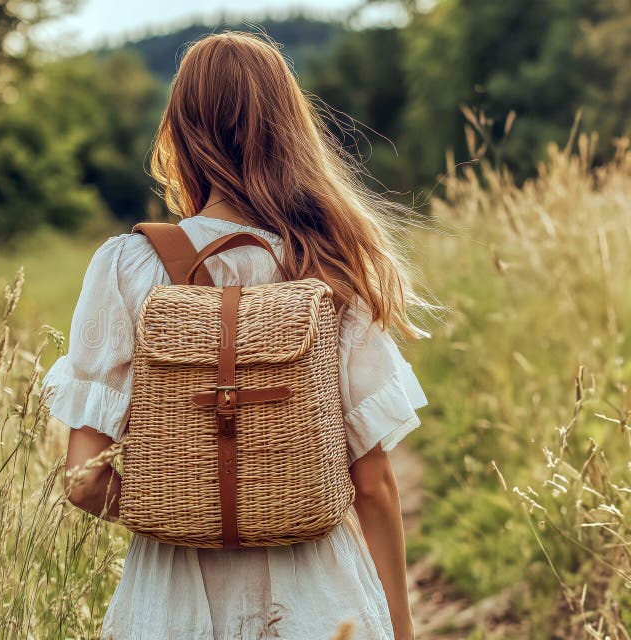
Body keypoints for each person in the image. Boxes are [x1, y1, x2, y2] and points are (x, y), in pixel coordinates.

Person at [42, 30, 431, 640]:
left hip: (173, 601)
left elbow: (85, 480)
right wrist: (402, 630)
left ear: (179, 132)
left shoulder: (125, 268)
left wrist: (184, 500)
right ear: (290, 130)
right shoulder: (324, 264)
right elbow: (375, 486)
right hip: (321, 602)